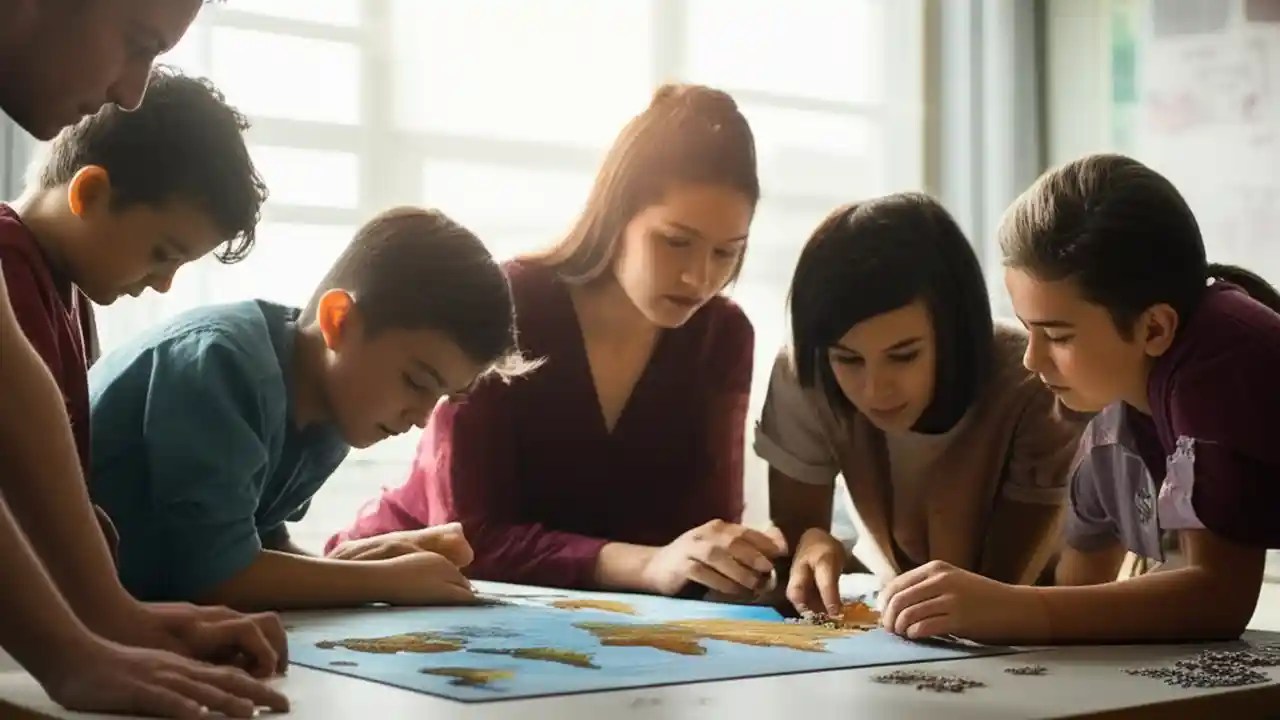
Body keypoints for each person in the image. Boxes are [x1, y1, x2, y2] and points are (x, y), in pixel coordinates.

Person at [326, 84, 786, 599]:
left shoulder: (722, 335)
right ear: (617, 214)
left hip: (599, 623)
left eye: (727, 253)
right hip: (401, 595)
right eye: (675, 242)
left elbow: (702, 536)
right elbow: (468, 536)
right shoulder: (510, 302)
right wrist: (649, 565)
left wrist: (738, 559)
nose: (698, 279)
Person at [0, 1, 287, 716]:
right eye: (134, 42)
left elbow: (13, 384)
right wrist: (73, 648)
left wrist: (109, 617)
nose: (131, 92)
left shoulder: (65, 295)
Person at [879, 154, 1280, 645]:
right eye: (1028, 330)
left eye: (1058, 335)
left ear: (1155, 327)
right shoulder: (1116, 428)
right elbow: (1080, 589)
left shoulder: (1213, 368)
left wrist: (1003, 606)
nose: (1030, 360)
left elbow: (1219, 599)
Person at [89, 207, 526, 610]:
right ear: (339, 320)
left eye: (444, 395)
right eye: (416, 382)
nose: (421, 418)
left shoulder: (333, 414)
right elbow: (214, 575)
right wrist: (385, 581)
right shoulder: (223, 366)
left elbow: (258, 544)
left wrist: (361, 563)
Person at [760, 194, 1084, 619]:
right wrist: (812, 543)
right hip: (895, 613)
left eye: (903, 355)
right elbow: (796, 554)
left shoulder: (1033, 380)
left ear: (952, 332)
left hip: (1041, 623)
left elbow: (995, 591)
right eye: (848, 359)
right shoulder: (805, 370)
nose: (875, 390)